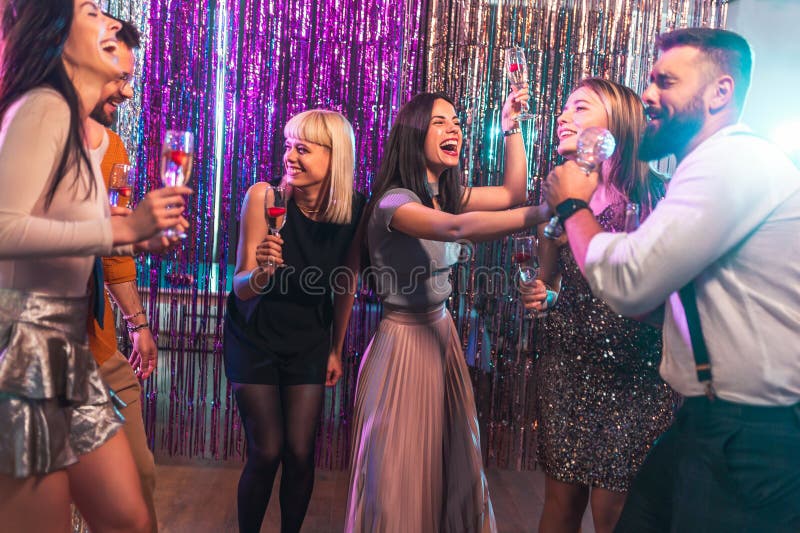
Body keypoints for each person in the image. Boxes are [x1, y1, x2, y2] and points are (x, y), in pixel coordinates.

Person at [542, 28, 800, 531]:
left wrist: (573, 205)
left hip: (752, 434)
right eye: (650, 81)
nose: (649, 96)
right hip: (705, 420)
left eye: (667, 82)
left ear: (720, 92)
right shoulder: (705, 166)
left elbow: (633, 280)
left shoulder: (734, 162)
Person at [0, 2, 191, 532]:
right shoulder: (43, 107)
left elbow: (63, 242)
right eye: (90, 11)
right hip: (27, 350)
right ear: (57, 37)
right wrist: (120, 230)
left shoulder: (80, 132)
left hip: (66, 351)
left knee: (131, 520)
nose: (108, 20)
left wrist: (137, 241)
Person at [344, 89, 551, 532]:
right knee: (400, 481)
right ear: (414, 134)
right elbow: (457, 230)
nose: (454, 127)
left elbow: (514, 191)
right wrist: (551, 211)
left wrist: (511, 126)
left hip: (443, 339)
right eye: (440, 121)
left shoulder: (447, 195)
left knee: (451, 472)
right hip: (403, 346)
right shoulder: (392, 204)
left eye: (456, 121)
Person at [521, 78, 676, 533]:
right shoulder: (558, 188)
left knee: (616, 513)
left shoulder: (659, 195)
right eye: (564, 108)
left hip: (638, 374)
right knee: (561, 503)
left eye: (580, 108)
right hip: (568, 365)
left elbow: (653, 284)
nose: (564, 117)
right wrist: (544, 294)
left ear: (619, 126)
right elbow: (551, 281)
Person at [223, 109, 366, 533]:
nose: (290, 156)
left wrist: (336, 349)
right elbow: (241, 286)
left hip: (308, 338)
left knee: (301, 452)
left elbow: (346, 283)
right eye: (288, 145)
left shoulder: (356, 209)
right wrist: (264, 273)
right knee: (267, 451)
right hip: (254, 335)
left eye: (302, 148)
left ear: (334, 156)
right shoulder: (266, 198)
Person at [84, 17, 159, 531]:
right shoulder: (20, 131)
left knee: (140, 476)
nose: (128, 92)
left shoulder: (113, 148)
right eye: (118, 76)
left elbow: (114, 251)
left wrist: (139, 325)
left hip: (100, 343)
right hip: (30, 350)